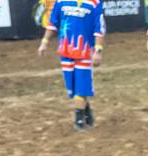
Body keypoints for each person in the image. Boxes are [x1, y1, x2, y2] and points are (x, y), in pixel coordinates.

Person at [37, 0, 105, 132]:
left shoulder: (95, 3)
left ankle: (79, 119)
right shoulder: (61, 2)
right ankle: (85, 108)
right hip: (65, 51)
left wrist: (98, 51)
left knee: (80, 86)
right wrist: (44, 42)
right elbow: (52, 23)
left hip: (85, 52)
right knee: (73, 87)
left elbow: (99, 29)